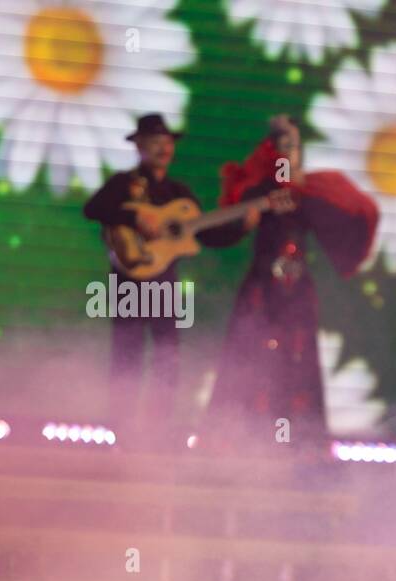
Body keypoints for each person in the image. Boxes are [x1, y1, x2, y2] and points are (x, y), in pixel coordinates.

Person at [204, 115, 380, 455]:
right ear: (271, 151)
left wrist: (304, 194)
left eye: (296, 147)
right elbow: (217, 232)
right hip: (262, 292)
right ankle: (244, 447)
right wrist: (247, 219)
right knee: (252, 361)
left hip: (297, 294)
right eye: (284, 146)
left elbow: (355, 213)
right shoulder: (257, 192)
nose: (291, 153)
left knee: (297, 367)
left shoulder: (309, 192)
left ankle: (297, 450)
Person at [83, 114, 259, 445]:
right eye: (155, 142)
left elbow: (202, 236)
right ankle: (122, 432)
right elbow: (93, 208)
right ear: (139, 147)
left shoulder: (179, 195)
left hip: (165, 283)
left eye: (167, 142)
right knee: (128, 355)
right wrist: (133, 215)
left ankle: (156, 431)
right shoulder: (124, 184)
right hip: (130, 282)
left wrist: (242, 226)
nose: (163, 148)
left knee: (168, 356)